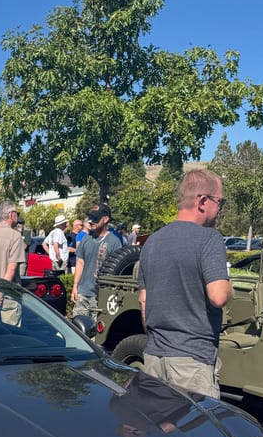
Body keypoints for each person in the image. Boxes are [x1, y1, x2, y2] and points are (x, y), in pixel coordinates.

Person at [138, 169, 231, 399]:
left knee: (160, 430)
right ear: (202, 201)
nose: (219, 209)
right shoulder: (209, 239)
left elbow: (144, 302)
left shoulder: (152, 242)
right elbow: (218, 296)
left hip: (154, 358)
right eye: (220, 202)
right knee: (197, 432)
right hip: (192, 362)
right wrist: (230, 285)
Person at [71, 205, 120, 319]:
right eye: (90, 218)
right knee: (78, 327)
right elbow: (80, 263)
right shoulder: (86, 239)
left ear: (105, 219)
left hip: (100, 295)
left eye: (95, 218)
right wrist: (75, 286)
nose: (91, 221)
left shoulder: (114, 242)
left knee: (95, 333)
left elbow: (117, 271)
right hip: (82, 293)